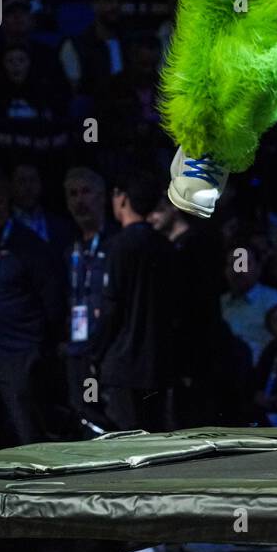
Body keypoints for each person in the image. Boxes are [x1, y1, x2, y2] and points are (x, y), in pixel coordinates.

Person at [0, 174, 66, 452]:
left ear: (0, 201)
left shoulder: (29, 245)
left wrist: (38, 348)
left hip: (18, 355)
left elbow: (52, 302)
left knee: (27, 434)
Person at [94, 173, 181, 432]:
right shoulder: (167, 247)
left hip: (123, 365)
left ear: (122, 199)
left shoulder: (118, 247)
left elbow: (112, 307)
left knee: (126, 439)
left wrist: (94, 352)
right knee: (156, 437)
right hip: (159, 366)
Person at [61, 167, 113, 426]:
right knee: (83, 414)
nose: (79, 200)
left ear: (102, 196)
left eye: (85, 192)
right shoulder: (67, 245)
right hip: (76, 349)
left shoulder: (115, 243)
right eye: (72, 194)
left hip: (107, 349)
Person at [220, 241, 277, 366]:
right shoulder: (220, 303)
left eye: (244, 263)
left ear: (258, 268)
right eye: (232, 264)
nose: (238, 270)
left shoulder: (274, 301)